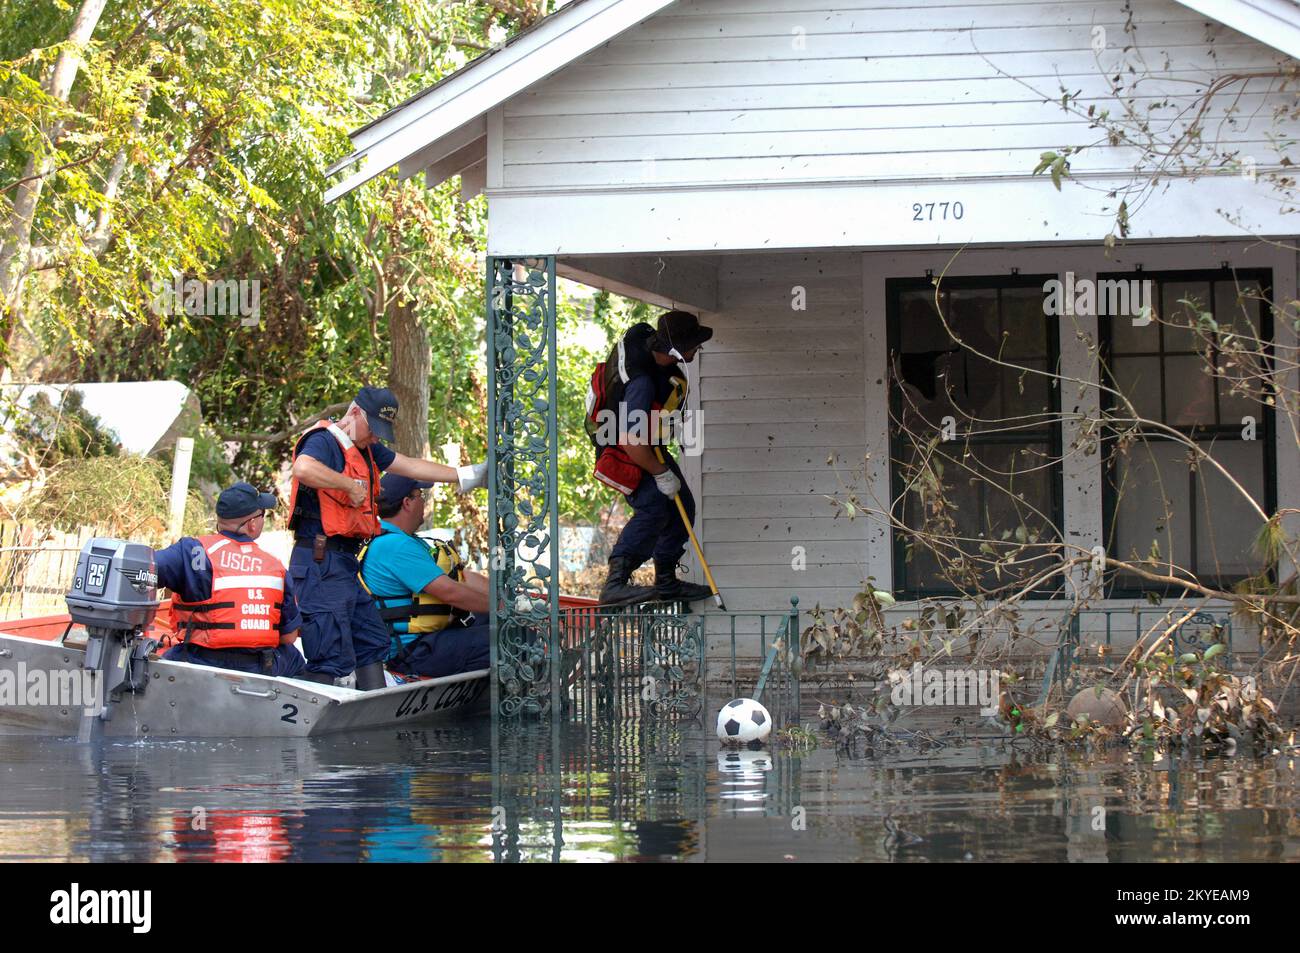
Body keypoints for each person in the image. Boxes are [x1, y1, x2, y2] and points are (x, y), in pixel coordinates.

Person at [286, 386, 487, 689]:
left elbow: (410, 465)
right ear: (354, 414)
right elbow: (303, 467)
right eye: (374, 429)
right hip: (318, 561)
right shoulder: (325, 440)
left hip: (342, 563)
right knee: (328, 650)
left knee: (371, 639)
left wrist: (468, 475)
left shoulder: (366, 448)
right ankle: (312, 721)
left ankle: (375, 709)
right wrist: (347, 485)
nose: (376, 437)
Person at [585, 309, 715, 605]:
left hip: (648, 441)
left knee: (683, 505)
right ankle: (615, 583)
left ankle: (667, 582)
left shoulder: (644, 337)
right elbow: (631, 441)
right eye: (694, 344)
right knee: (655, 507)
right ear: (675, 350)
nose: (698, 348)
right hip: (625, 449)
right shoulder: (641, 384)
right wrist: (660, 472)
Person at [157, 482, 306, 677]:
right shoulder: (276, 567)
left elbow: (148, 567)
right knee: (294, 657)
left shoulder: (192, 551)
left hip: (198, 660)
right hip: (259, 667)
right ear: (252, 524)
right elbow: (289, 637)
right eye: (263, 515)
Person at [358, 474, 491, 679]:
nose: (424, 501)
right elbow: (450, 592)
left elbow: (460, 577)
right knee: (510, 636)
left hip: (426, 639)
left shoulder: (405, 540)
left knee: (491, 619)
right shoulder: (395, 546)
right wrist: (504, 609)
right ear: (407, 502)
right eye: (421, 495)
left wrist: (509, 597)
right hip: (411, 651)